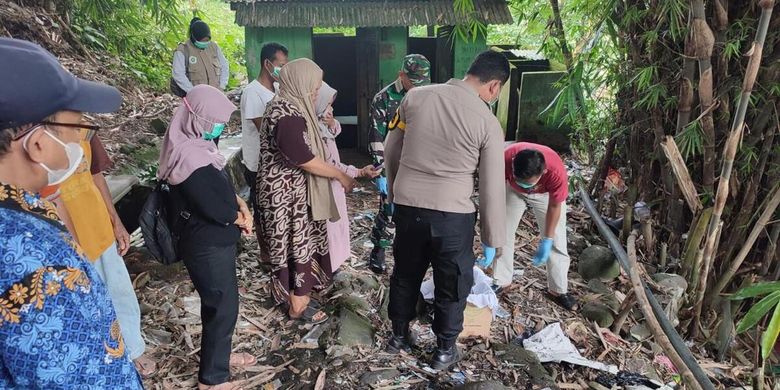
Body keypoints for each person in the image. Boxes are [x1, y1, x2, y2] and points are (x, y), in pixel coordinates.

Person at [0, 37, 142, 388]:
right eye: (77, 131)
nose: (81, 145)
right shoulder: (36, 263)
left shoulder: (24, 215)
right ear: (38, 144)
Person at [384, 51, 509, 370]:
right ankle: (443, 351)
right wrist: (493, 238)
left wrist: (395, 190)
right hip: (452, 216)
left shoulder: (415, 98)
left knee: (405, 272)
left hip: (409, 207)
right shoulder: (488, 122)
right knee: (452, 282)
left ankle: (398, 336)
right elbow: (492, 186)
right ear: (494, 87)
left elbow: (392, 147)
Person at [158, 84, 255, 389]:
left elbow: (223, 193)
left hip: (211, 240)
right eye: (215, 120)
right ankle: (212, 379)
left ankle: (219, 358)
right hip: (205, 244)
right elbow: (216, 206)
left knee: (220, 303)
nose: (220, 127)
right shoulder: (189, 158)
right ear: (196, 117)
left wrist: (239, 204)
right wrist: (238, 214)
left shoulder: (196, 145)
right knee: (221, 305)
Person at [42, 133, 155, 376]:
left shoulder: (85, 130)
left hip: (98, 226)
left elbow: (96, 174)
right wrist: (70, 247)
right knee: (85, 305)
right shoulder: (35, 137)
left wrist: (116, 221)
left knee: (119, 291)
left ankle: (133, 349)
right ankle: (105, 356)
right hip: (66, 241)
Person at [255, 58, 356, 324]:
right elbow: (302, 158)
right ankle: (296, 304)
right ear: (299, 84)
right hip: (284, 198)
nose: (315, 93)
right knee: (293, 244)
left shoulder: (291, 108)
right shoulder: (286, 113)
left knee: (299, 243)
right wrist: (340, 175)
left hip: (293, 194)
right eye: (312, 88)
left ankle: (300, 294)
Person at [492, 142, 577, 310]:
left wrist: (547, 239)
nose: (525, 185)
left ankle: (558, 290)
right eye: (520, 179)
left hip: (544, 195)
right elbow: (493, 191)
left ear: (543, 172)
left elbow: (554, 206)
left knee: (557, 241)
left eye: (528, 182)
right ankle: (501, 281)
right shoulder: (505, 158)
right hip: (513, 191)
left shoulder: (555, 172)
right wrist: (491, 233)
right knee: (503, 233)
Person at [367, 54, 431, 274]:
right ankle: (379, 249)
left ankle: (410, 252)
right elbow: (377, 137)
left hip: (420, 163)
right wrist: (380, 171)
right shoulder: (383, 98)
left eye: (421, 81)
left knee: (418, 210)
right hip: (393, 162)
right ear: (401, 74)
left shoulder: (429, 95)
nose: (416, 86)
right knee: (389, 208)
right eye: (412, 80)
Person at [316, 82, 380, 271]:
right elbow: (329, 166)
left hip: (333, 192)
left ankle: (331, 270)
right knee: (328, 235)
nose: (331, 109)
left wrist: (359, 172)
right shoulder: (313, 134)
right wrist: (354, 173)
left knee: (335, 233)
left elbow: (335, 163)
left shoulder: (323, 129)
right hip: (324, 194)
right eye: (327, 104)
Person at [241, 42, 288, 209]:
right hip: (258, 165)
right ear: (267, 64)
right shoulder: (252, 92)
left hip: (274, 162)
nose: (283, 70)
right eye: (281, 66)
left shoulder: (277, 88)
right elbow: (266, 129)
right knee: (263, 212)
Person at [172, 17, 230, 94]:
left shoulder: (214, 47)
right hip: (195, 95)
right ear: (193, 38)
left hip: (216, 92)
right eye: (202, 41)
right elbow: (178, 74)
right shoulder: (183, 50)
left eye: (207, 40)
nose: (205, 43)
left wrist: (222, 86)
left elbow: (224, 66)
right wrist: (192, 91)